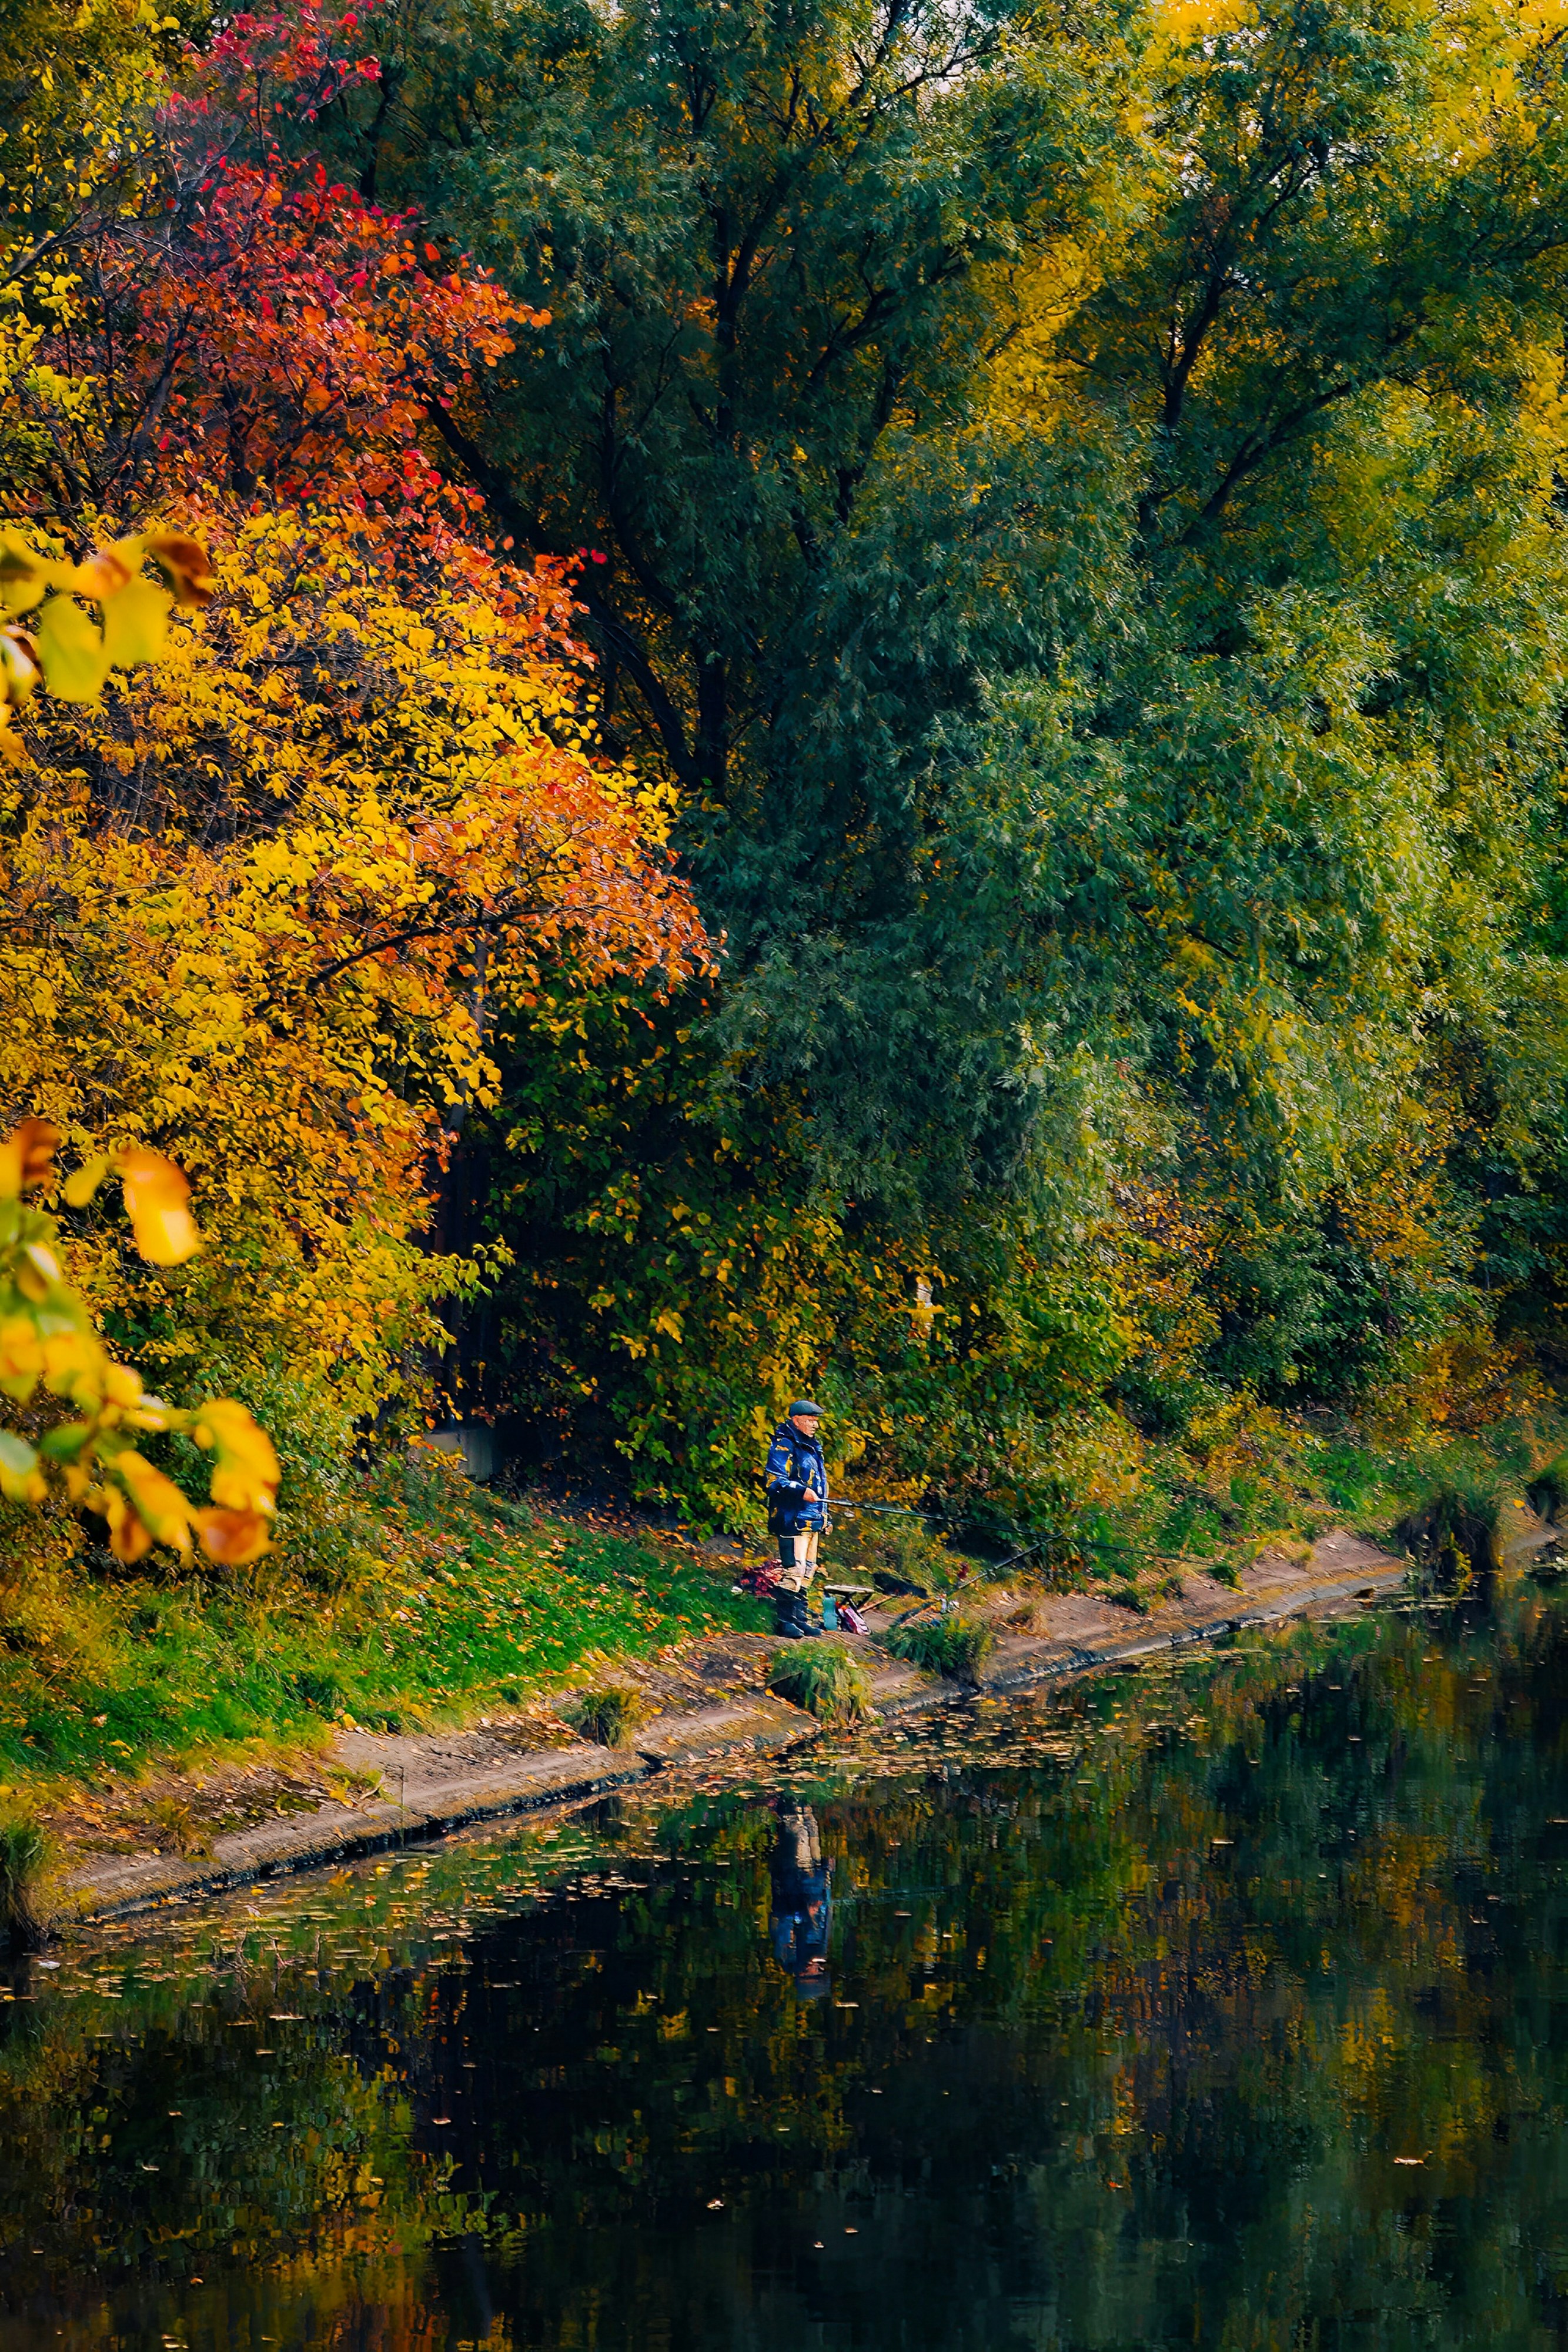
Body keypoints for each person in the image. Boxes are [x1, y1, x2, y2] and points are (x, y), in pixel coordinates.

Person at [764, 1398, 828, 1639]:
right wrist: (800, 1491)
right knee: (794, 1570)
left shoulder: (813, 1447)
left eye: (816, 1421)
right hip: (792, 1518)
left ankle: (800, 1620)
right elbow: (773, 1481)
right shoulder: (784, 1444)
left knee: (809, 1571)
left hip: (813, 1519)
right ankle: (785, 1622)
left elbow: (821, 1488)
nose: (815, 1426)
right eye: (811, 1420)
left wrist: (825, 1518)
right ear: (796, 1420)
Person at [769, 1799, 832, 1997]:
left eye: (816, 1974)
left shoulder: (788, 1953)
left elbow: (783, 1917)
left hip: (795, 1881)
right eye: (821, 1972)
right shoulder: (819, 1948)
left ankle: (790, 1797)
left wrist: (805, 1913)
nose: (820, 1969)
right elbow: (827, 1915)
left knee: (798, 1832)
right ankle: (805, 1797)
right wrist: (828, 1877)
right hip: (816, 1881)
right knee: (812, 1826)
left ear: (804, 1974)